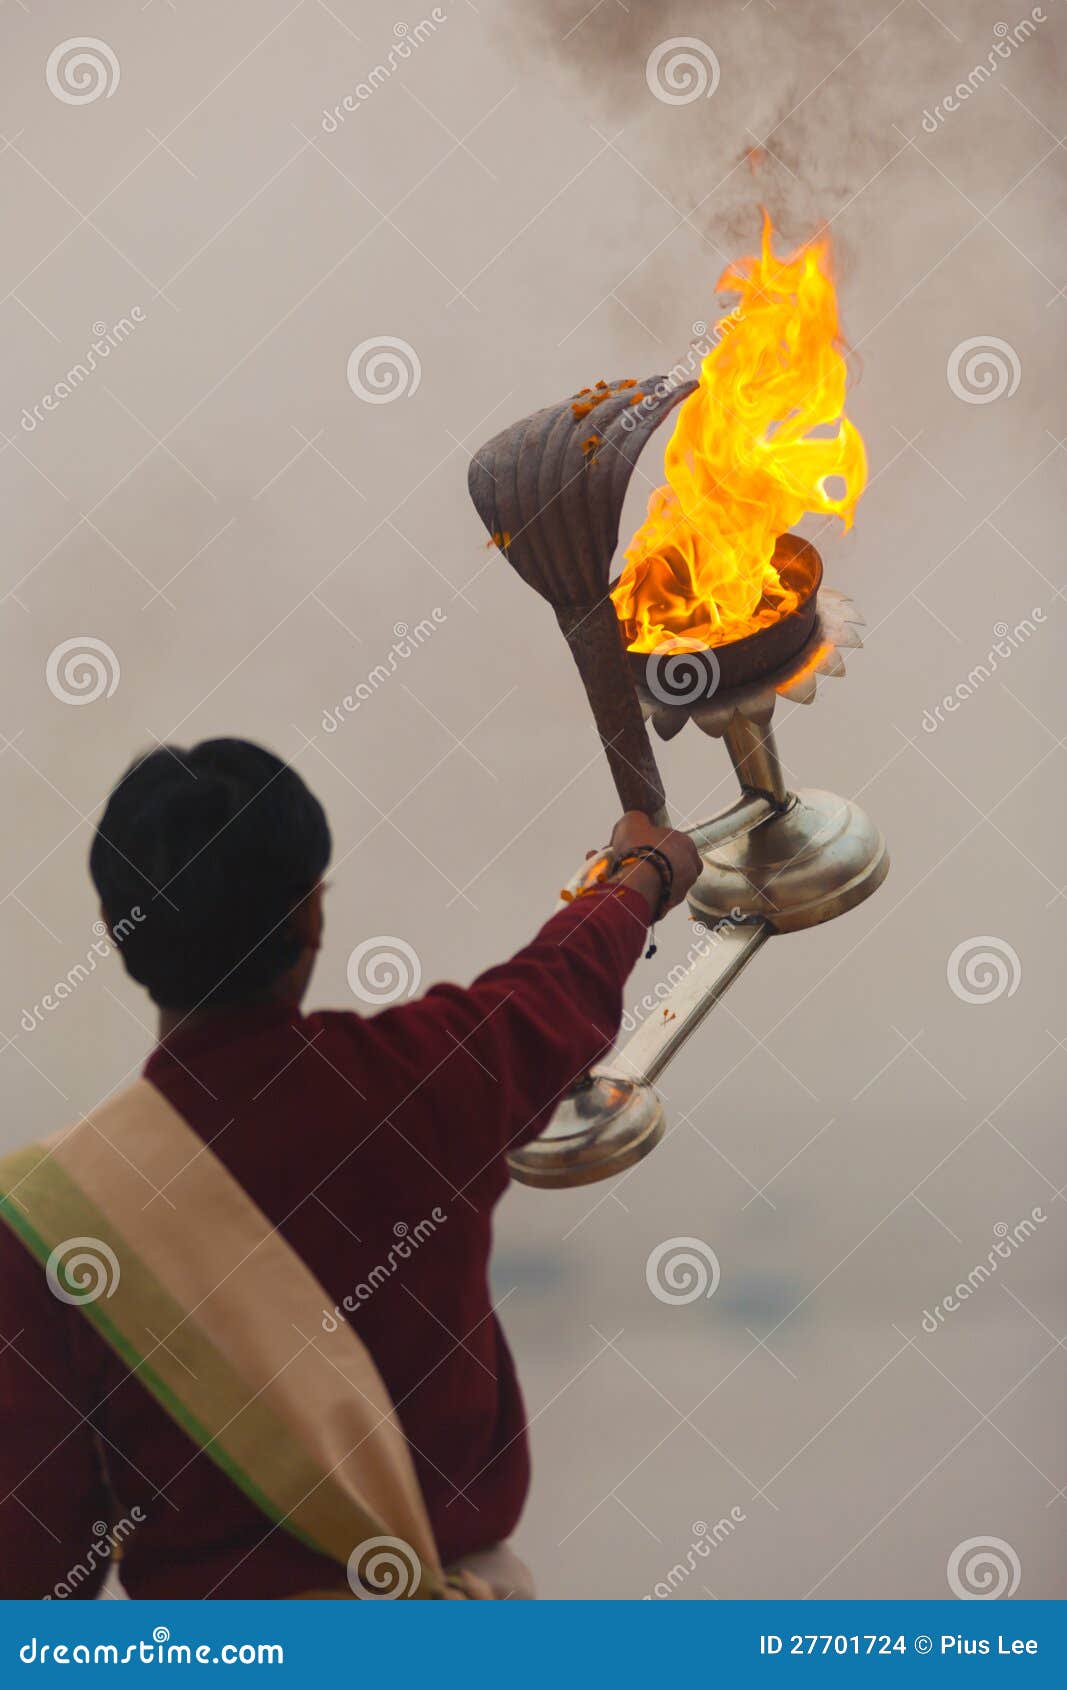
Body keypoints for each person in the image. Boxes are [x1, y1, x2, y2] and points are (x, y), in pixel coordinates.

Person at [0, 738, 700, 1599]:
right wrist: (637, 879)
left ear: (116, 929)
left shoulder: (47, 1219)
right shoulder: (424, 1081)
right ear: (311, 916)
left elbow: (34, 1562)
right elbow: (554, 989)